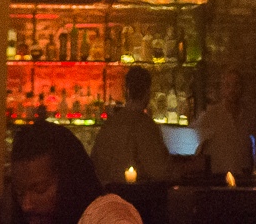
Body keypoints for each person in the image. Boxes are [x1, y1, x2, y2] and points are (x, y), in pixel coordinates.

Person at [12, 119, 141, 224]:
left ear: (70, 180)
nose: (26, 205)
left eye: (40, 190)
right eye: (19, 193)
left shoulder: (106, 214)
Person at [91, 65, 176, 183]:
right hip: (135, 197)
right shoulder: (145, 126)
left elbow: (96, 166)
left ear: (126, 90)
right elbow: (160, 172)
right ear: (147, 91)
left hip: (107, 195)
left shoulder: (109, 124)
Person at [194, 67, 254, 178]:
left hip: (243, 179)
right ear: (222, 88)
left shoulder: (248, 117)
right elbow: (194, 145)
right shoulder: (211, 116)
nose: (232, 90)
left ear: (242, 88)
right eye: (228, 85)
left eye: (236, 85)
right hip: (219, 180)